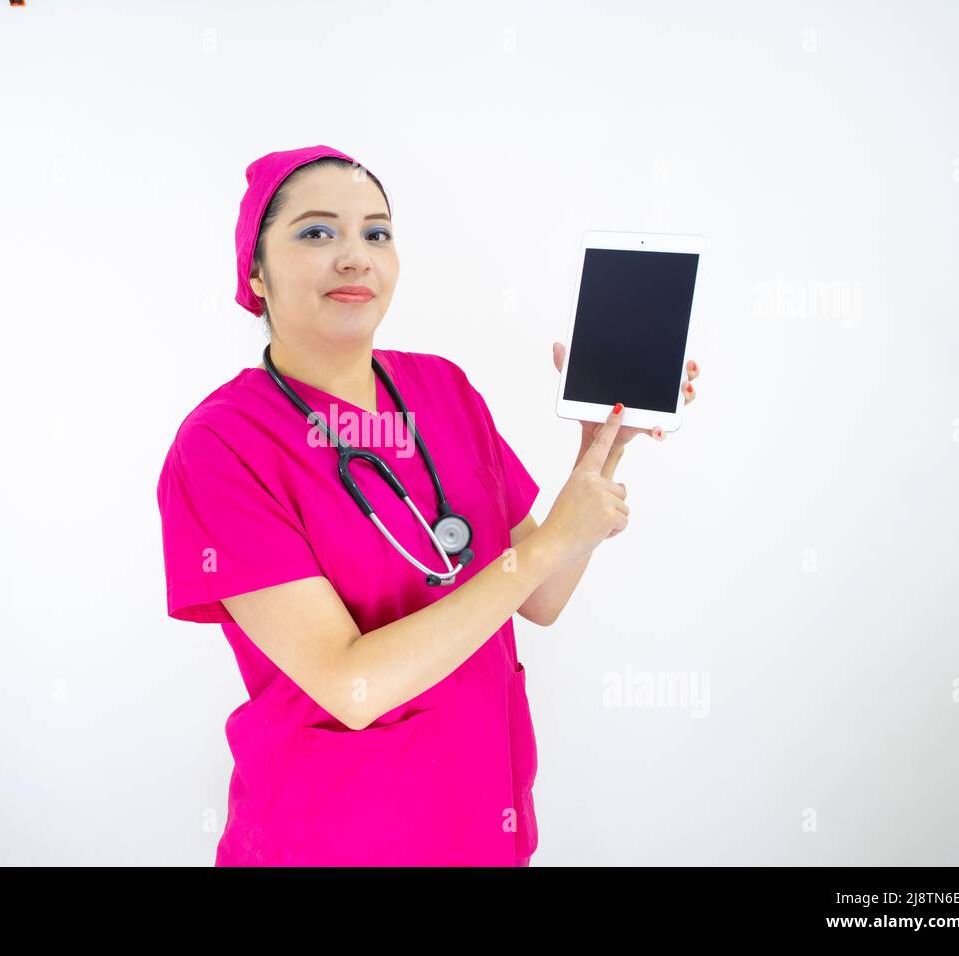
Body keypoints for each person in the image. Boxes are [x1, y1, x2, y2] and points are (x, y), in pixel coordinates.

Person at [156, 145, 701, 866]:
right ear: (254, 272)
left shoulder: (443, 391)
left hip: (482, 828)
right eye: (317, 232)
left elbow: (539, 599)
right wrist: (541, 546)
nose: (356, 257)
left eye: (376, 232)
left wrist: (603, 449)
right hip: (332, 842)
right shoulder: (223, 445)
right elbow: (352, 685)